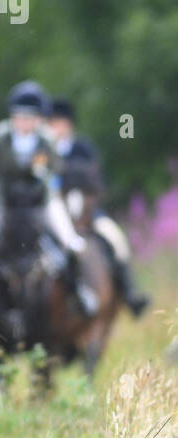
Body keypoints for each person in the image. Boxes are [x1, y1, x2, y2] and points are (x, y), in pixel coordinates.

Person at [0, 81, 99, 316]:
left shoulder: (46, 140)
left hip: (37, 201)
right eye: (20, 117)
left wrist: (42, 187)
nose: (24, 122)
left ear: (39, 119)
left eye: (30, 117)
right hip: (0, 199)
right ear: (13, 117)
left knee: (70, 239)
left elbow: (55, 174)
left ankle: (79, 290)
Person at [48, 96, 149, 317]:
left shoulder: (83, 148)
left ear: (68, 124)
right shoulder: (44, 149)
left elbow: (94, 181)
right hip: (53, 213)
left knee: (116, 239)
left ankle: (130, 293)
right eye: (51, 122)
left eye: (58, 122)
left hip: (87, 212)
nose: (54, 128)